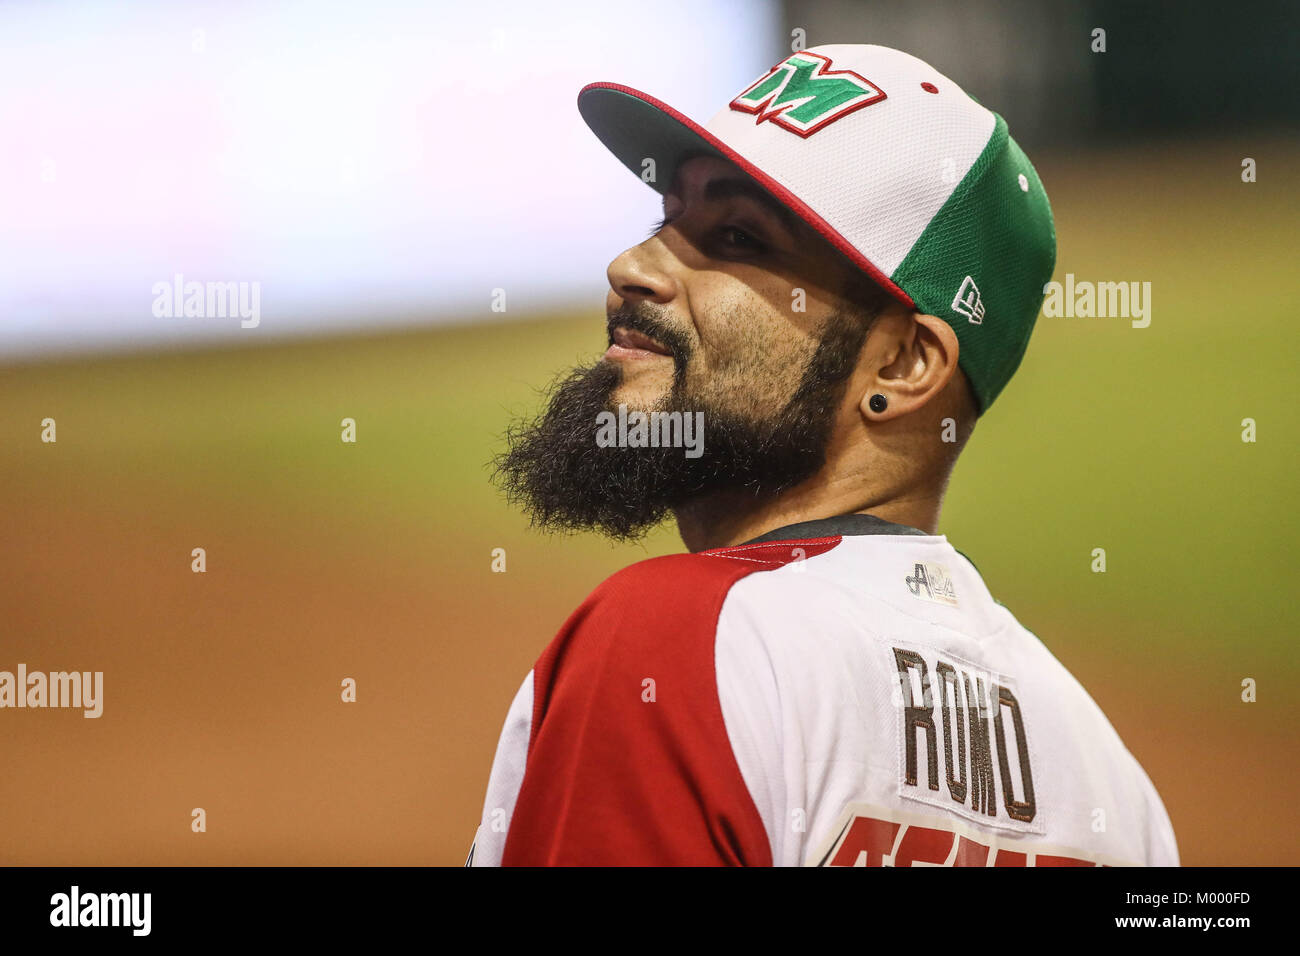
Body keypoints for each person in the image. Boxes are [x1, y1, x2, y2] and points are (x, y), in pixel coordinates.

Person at [471, 43, 1177, 866]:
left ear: (904, 365)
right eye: (667, 219)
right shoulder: (1112, 791)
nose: (631, 268)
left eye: (737, 237)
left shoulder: (675, 644)